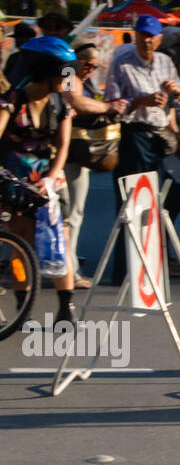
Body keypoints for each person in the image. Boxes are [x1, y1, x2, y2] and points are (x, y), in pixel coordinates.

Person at [105, 14, 180, 287]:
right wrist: (142, 101)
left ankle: (148, 269)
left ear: (159, 38)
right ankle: (123, 271)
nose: (147, 40)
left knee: (154, 205)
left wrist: (177, 93)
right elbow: (112, 105)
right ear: (135, 35)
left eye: (151, 36)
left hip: (159, 137)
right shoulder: (121, 63)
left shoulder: (165, 62)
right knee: (131, 204)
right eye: (142, 35)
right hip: (134, 136)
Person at [0, 35, 78, 322]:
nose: (68, 78)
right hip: (18, 178)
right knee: (20, 243)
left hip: (51, 178)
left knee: (62, 241)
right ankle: (23, 308)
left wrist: (52, 177)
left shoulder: (61, 104)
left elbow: (64, 146)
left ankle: (65, 308)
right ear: (45, 72)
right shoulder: (13, 100)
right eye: (63, 72)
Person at [62, 42, 127, 286]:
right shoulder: (68, 73)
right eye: (86, 63)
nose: (89, 69)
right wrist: (107, 106)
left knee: (72, 212)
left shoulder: (78, 76)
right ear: (75, 58)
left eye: (94, 65)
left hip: (75, 154)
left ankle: (66, 266)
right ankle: (71, 271)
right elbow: (74, 102)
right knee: (71, 214)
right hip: (67, 155)